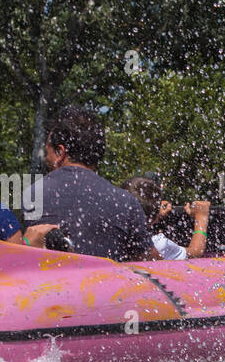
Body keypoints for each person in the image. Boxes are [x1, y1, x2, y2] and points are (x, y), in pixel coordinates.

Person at [23, 106, 159, 261]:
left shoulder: (34, 194)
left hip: (52, 284)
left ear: (60, 152)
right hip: (105, 283)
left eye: (47, 151)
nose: (46, 158)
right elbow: (151, 265)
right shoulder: (125, 201)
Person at [122, 176, 210, 260]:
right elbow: (195, 253)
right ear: (153, 218)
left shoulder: (115, 235)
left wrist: (154, 213)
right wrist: (201, 217)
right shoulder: (157, 245)